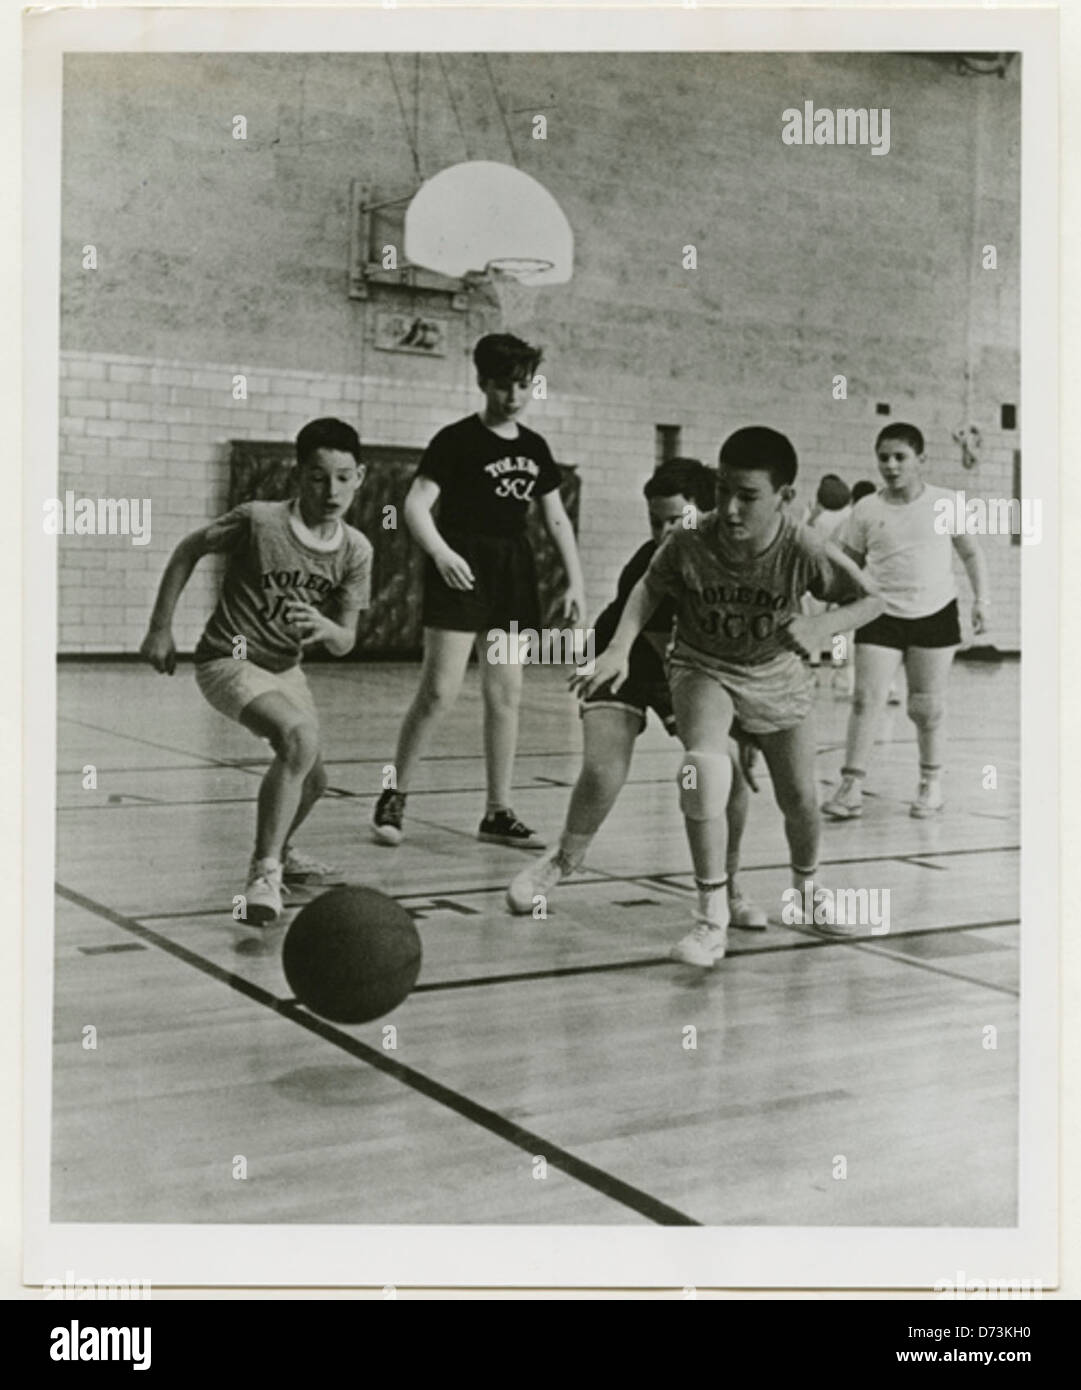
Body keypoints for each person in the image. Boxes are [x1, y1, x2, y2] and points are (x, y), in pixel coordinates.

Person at [572, 426, 885, 966]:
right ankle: (710, 916)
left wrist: (824, 627)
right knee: (703, 769)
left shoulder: (803, 547)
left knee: (800, 800)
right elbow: (648, 587)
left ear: (785, 496)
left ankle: (808, 892)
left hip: (775, 675)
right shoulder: (692, 537)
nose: (732, 508)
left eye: (749, 496)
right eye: (723, 492)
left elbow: (872, 601)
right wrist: (619, 649)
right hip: (703, 665)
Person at [507, 457, 766, 930]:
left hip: (692, 665)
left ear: (707, 514)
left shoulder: (737, 566)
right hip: (624, 657)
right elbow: (659, 648)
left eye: (676, 519)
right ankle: (562, 859)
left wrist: (744, 723)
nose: (665, 530)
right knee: (603, 769)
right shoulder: (646, 568)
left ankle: (729, 881)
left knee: (722, 771)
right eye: (655, 520)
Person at [140, 417, 373, 927]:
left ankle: (281, 852)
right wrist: (161, 628)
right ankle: (262, 875)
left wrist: (325, 627)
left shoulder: (356, 550)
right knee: (298, 737)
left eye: (342, 476)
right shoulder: (260, 521)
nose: (330, 489)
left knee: (315, 780)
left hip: (286, 669)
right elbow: (189, 549)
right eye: (317, 476)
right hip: (229, 657)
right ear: (298, 476)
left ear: (361, 477)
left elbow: (346, 640)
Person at [372, 333, 586, 849]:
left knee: (506, 694)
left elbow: (555, 519)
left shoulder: (535, 448)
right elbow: (415, 506)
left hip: (511, 571)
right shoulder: (456, 441)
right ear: (482, 383)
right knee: (439, 691)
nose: (513, 396)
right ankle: (393, 794)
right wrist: (442, 554)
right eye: (503, 386)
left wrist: (576, 580)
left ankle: (497, 811)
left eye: (523, 385)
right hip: (462, 566)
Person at [822, 423, 990, 821]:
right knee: (865, 700)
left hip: (935, 613)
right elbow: (846, 559)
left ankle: (931, 784)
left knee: (925, 707)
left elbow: (970, 553)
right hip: (880, 613)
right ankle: (850, 787)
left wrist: (982, 600)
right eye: (884, 457)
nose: (891, 465)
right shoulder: (866, 509)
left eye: (900, 457)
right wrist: (836, 590)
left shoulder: (945, 502)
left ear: (921, 460)